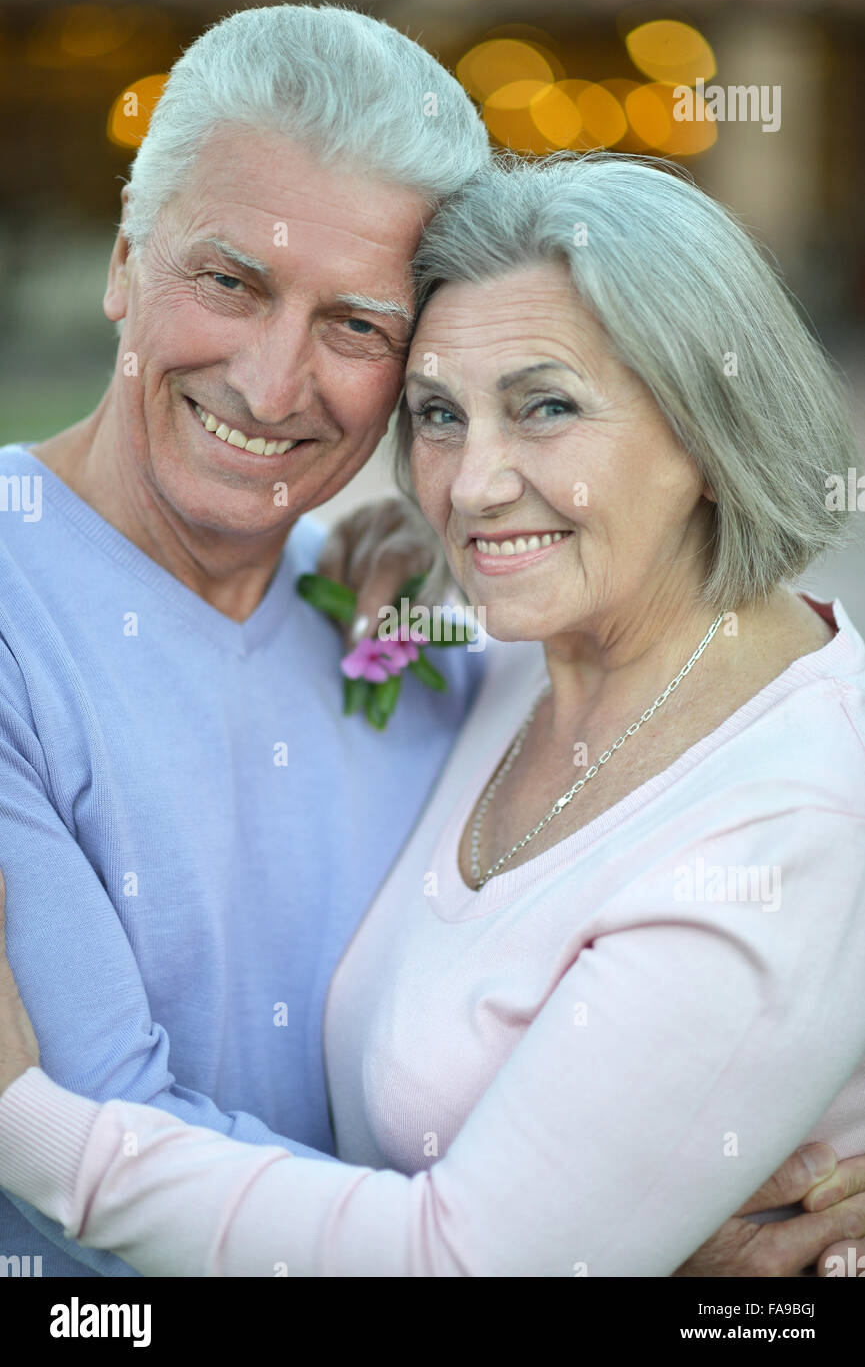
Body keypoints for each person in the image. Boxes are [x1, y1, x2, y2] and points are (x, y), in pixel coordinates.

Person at [1, 152, 864, 1276]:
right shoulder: (517, 651)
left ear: (708, 424)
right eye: (439, 415)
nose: (469, 484)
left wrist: (26, 1119)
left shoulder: (787, 823)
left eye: (545, 406)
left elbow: (456, 1267)